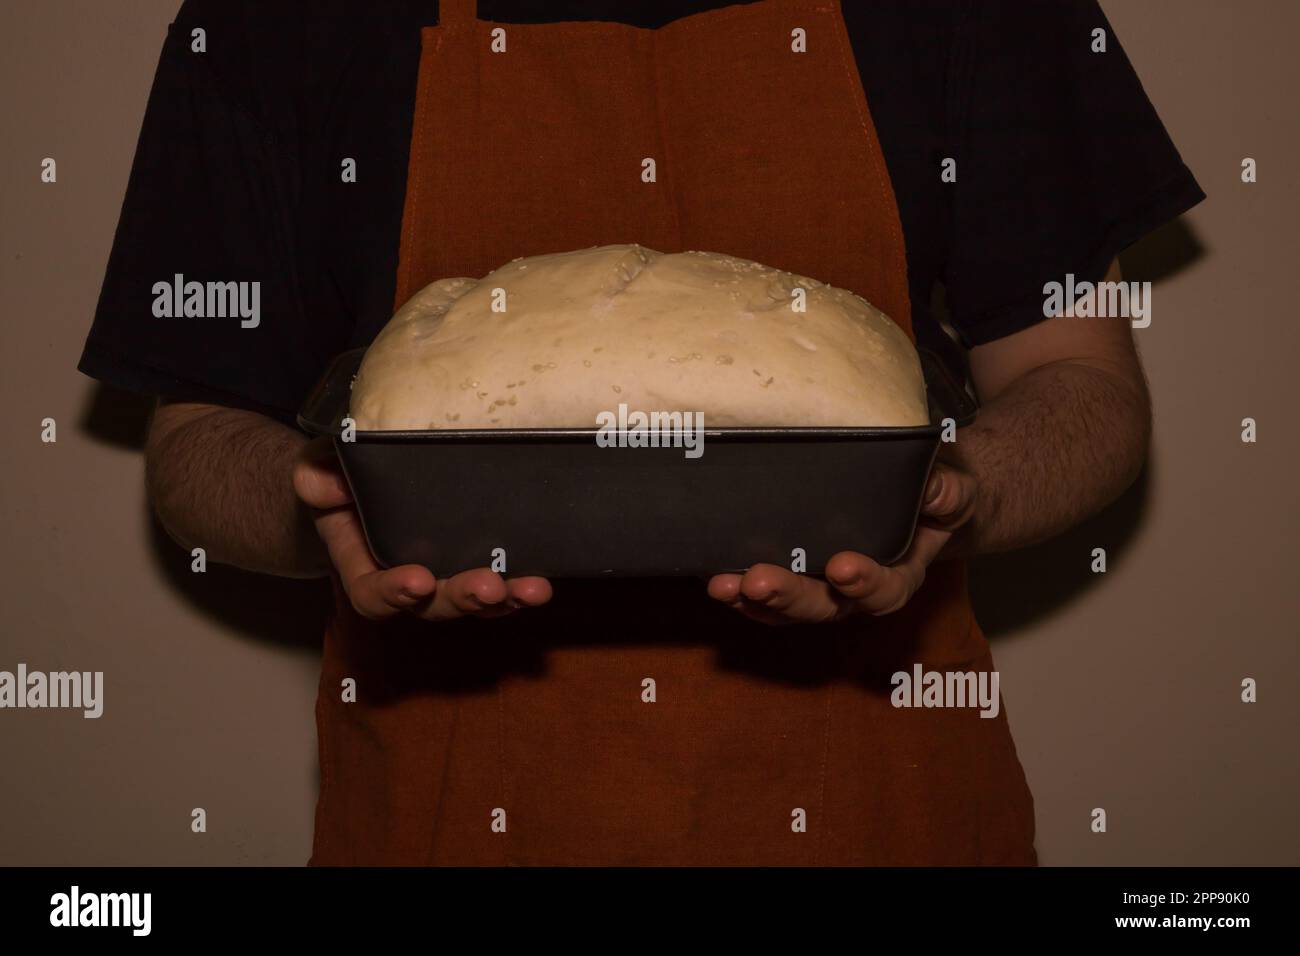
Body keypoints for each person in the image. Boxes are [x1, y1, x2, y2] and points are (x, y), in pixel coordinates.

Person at [80, 0, 1204, 865]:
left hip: (884, 806)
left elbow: (1080, 379)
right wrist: (328, 503)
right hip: (453, 822)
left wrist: (958, 498)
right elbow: (196, 437)